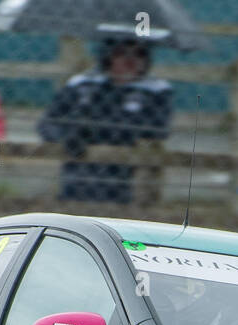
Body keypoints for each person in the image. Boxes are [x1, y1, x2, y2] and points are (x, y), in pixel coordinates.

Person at [37, 36, 173, 205]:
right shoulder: (83, 85)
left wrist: (102, 127)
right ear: (107, 56)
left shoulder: (155, 90)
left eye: (139, 54)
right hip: (78, 169)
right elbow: (48, 123)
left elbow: (158, 130)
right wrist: (65, 136)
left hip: (125, 171)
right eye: (120, 53)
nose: (129, 60)